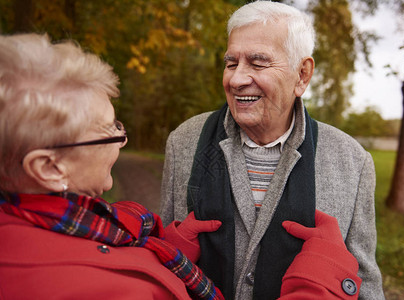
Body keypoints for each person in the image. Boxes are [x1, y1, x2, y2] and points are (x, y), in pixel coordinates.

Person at [0, 32, 361, 299]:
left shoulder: (92, 224)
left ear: (302, 75)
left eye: (259, 62)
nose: (122, 139)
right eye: (109, 131)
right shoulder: (75, 287)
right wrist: (320, 279)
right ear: (49, 167)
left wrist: (159, 252)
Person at [160, 1, 384, 299]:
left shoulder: (352, 162)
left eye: (258, 62)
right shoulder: (184, 141)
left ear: (302, 75)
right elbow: (159, 261)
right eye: (231, 63)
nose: (236, 79)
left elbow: (364, 282)